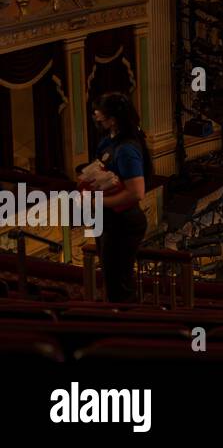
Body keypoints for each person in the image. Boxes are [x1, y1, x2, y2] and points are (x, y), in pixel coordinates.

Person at [88, 92, 153, 303]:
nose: (96, 116)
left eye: (100, 113)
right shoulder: (108, 141)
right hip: (108, 220)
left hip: (124, 222)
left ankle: (126, 324)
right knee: (110, 277)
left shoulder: (126, 149)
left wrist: (98, 201)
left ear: (113, 119)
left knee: (119, 283)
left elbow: (136, 192)